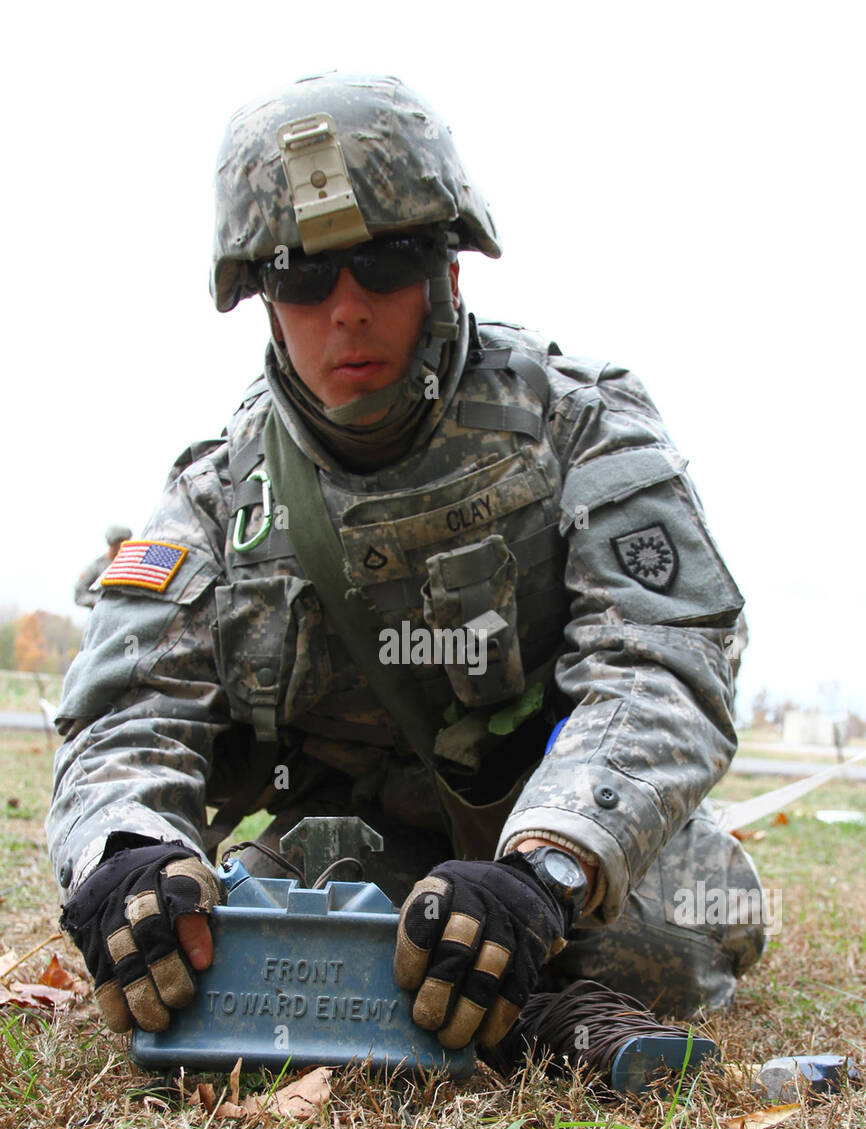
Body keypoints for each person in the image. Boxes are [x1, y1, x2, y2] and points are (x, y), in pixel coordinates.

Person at [47, 73, 765, 1070]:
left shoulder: (576, 423)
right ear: (261, 298)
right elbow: (129, 715)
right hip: (356, 850)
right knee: (215, 949)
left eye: (386, 263)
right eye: (301, 277)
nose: (346, 309)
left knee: (696, 922)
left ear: (447, 272)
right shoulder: (219, 497)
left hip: (553, 829)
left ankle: (547, 977)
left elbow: (660, 662)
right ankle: (530, 1005)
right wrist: (124, 851)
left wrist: (540, 871)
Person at [74, 526, 133, 609]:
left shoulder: (130, 565)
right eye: (120, 542)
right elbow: (80, 596)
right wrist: (100, 601)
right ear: (112, 543)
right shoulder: (95, 567)